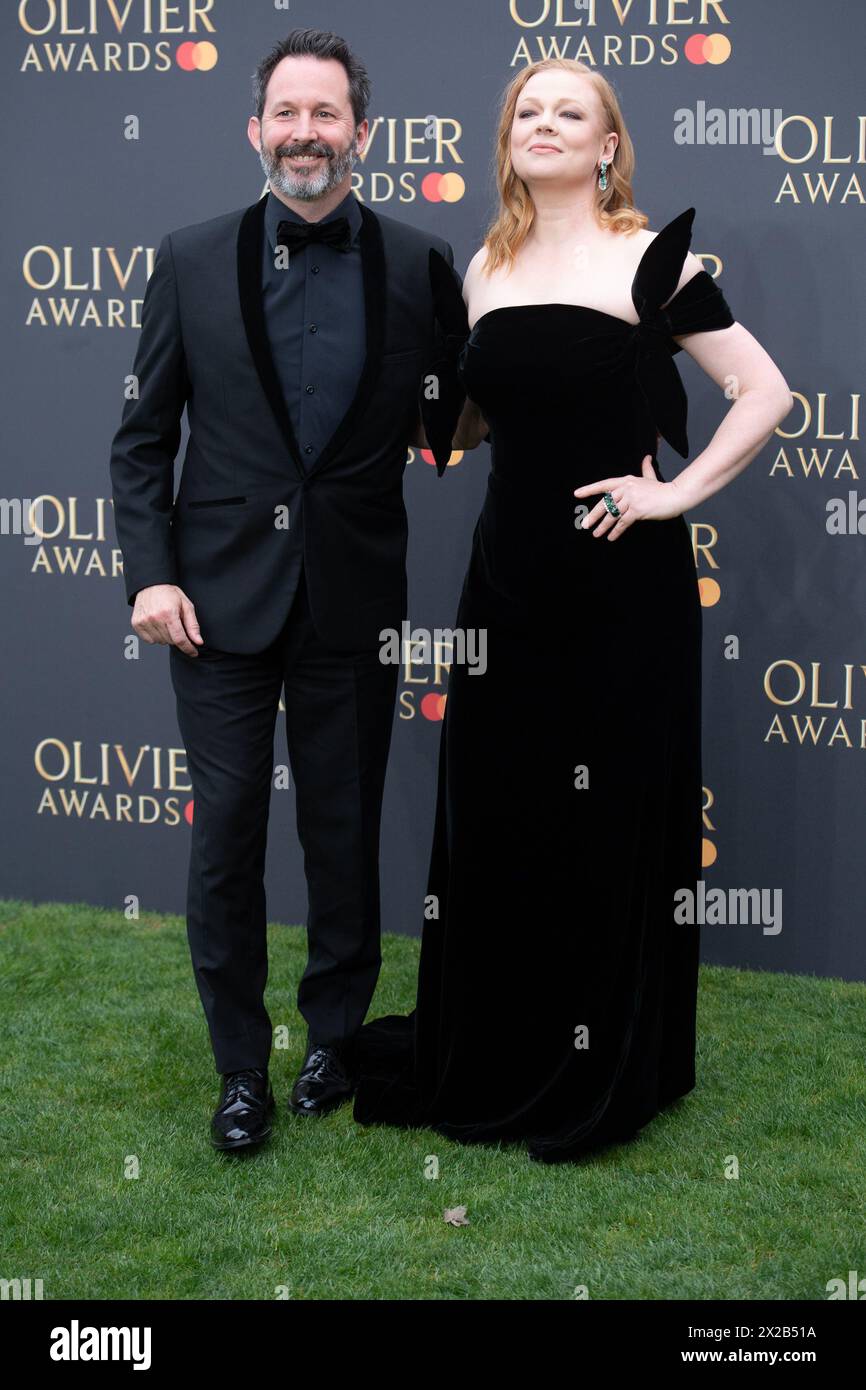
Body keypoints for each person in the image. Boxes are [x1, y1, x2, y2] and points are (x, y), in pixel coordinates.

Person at [353, 58, 793, 1163]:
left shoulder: (652, 260)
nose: (543, 124)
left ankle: (601, 1062)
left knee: (606, 820)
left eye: (569, 112)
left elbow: (764, 392)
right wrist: (417, 396)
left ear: (607, 146)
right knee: (502, 811)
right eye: (527, 111)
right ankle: (501, 1047)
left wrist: (672, 495)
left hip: (621, 590)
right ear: (508, 140)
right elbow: (470, 429)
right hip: (506, 585)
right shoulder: (486, 267)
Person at [109, 28, 470, 1151]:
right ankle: (238, 1068)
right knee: (224, 833)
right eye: (286, 113)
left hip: (351, 599)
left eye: (325, 114)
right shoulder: (188, 258)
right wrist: (150, 574)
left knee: (341, 828)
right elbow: (142, 439)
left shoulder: (418, 262)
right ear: (254, 130)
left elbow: (453, 421)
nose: (304, 133)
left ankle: (333, 1039)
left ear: (362, 131)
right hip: (212, 604)